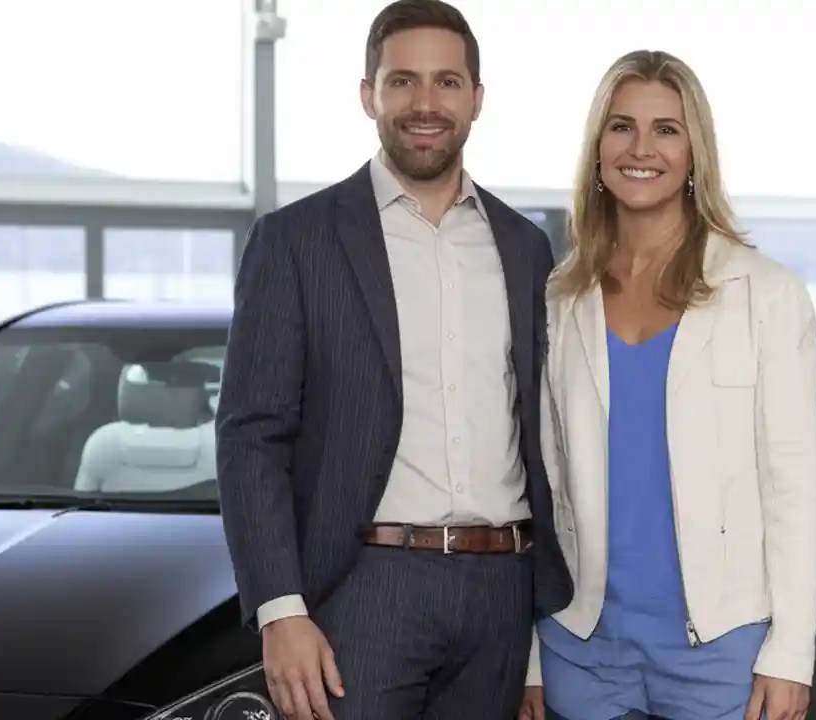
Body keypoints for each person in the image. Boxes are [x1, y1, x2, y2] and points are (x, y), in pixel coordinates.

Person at [215, 1, 573, 718]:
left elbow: (539, 442)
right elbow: (252, 436)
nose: (425, 104)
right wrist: (280, 609)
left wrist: (538, 637)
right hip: (366, 588)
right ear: (368, 94)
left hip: (502, 590)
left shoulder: (525, 248)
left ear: (476, 98)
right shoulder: (296, 242)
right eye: (402, 81)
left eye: (446, 82)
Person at [519, 50, 816, 720]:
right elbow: (545, 487)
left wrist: (791, 653)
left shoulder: (765, 294)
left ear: (695, 153)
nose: (641, 148)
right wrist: (534, 656)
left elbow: (793, 489)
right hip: (580, 644)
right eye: (621, 126)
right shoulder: (559, 298)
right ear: (597, 149)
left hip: (723, 648)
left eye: (666, 129)